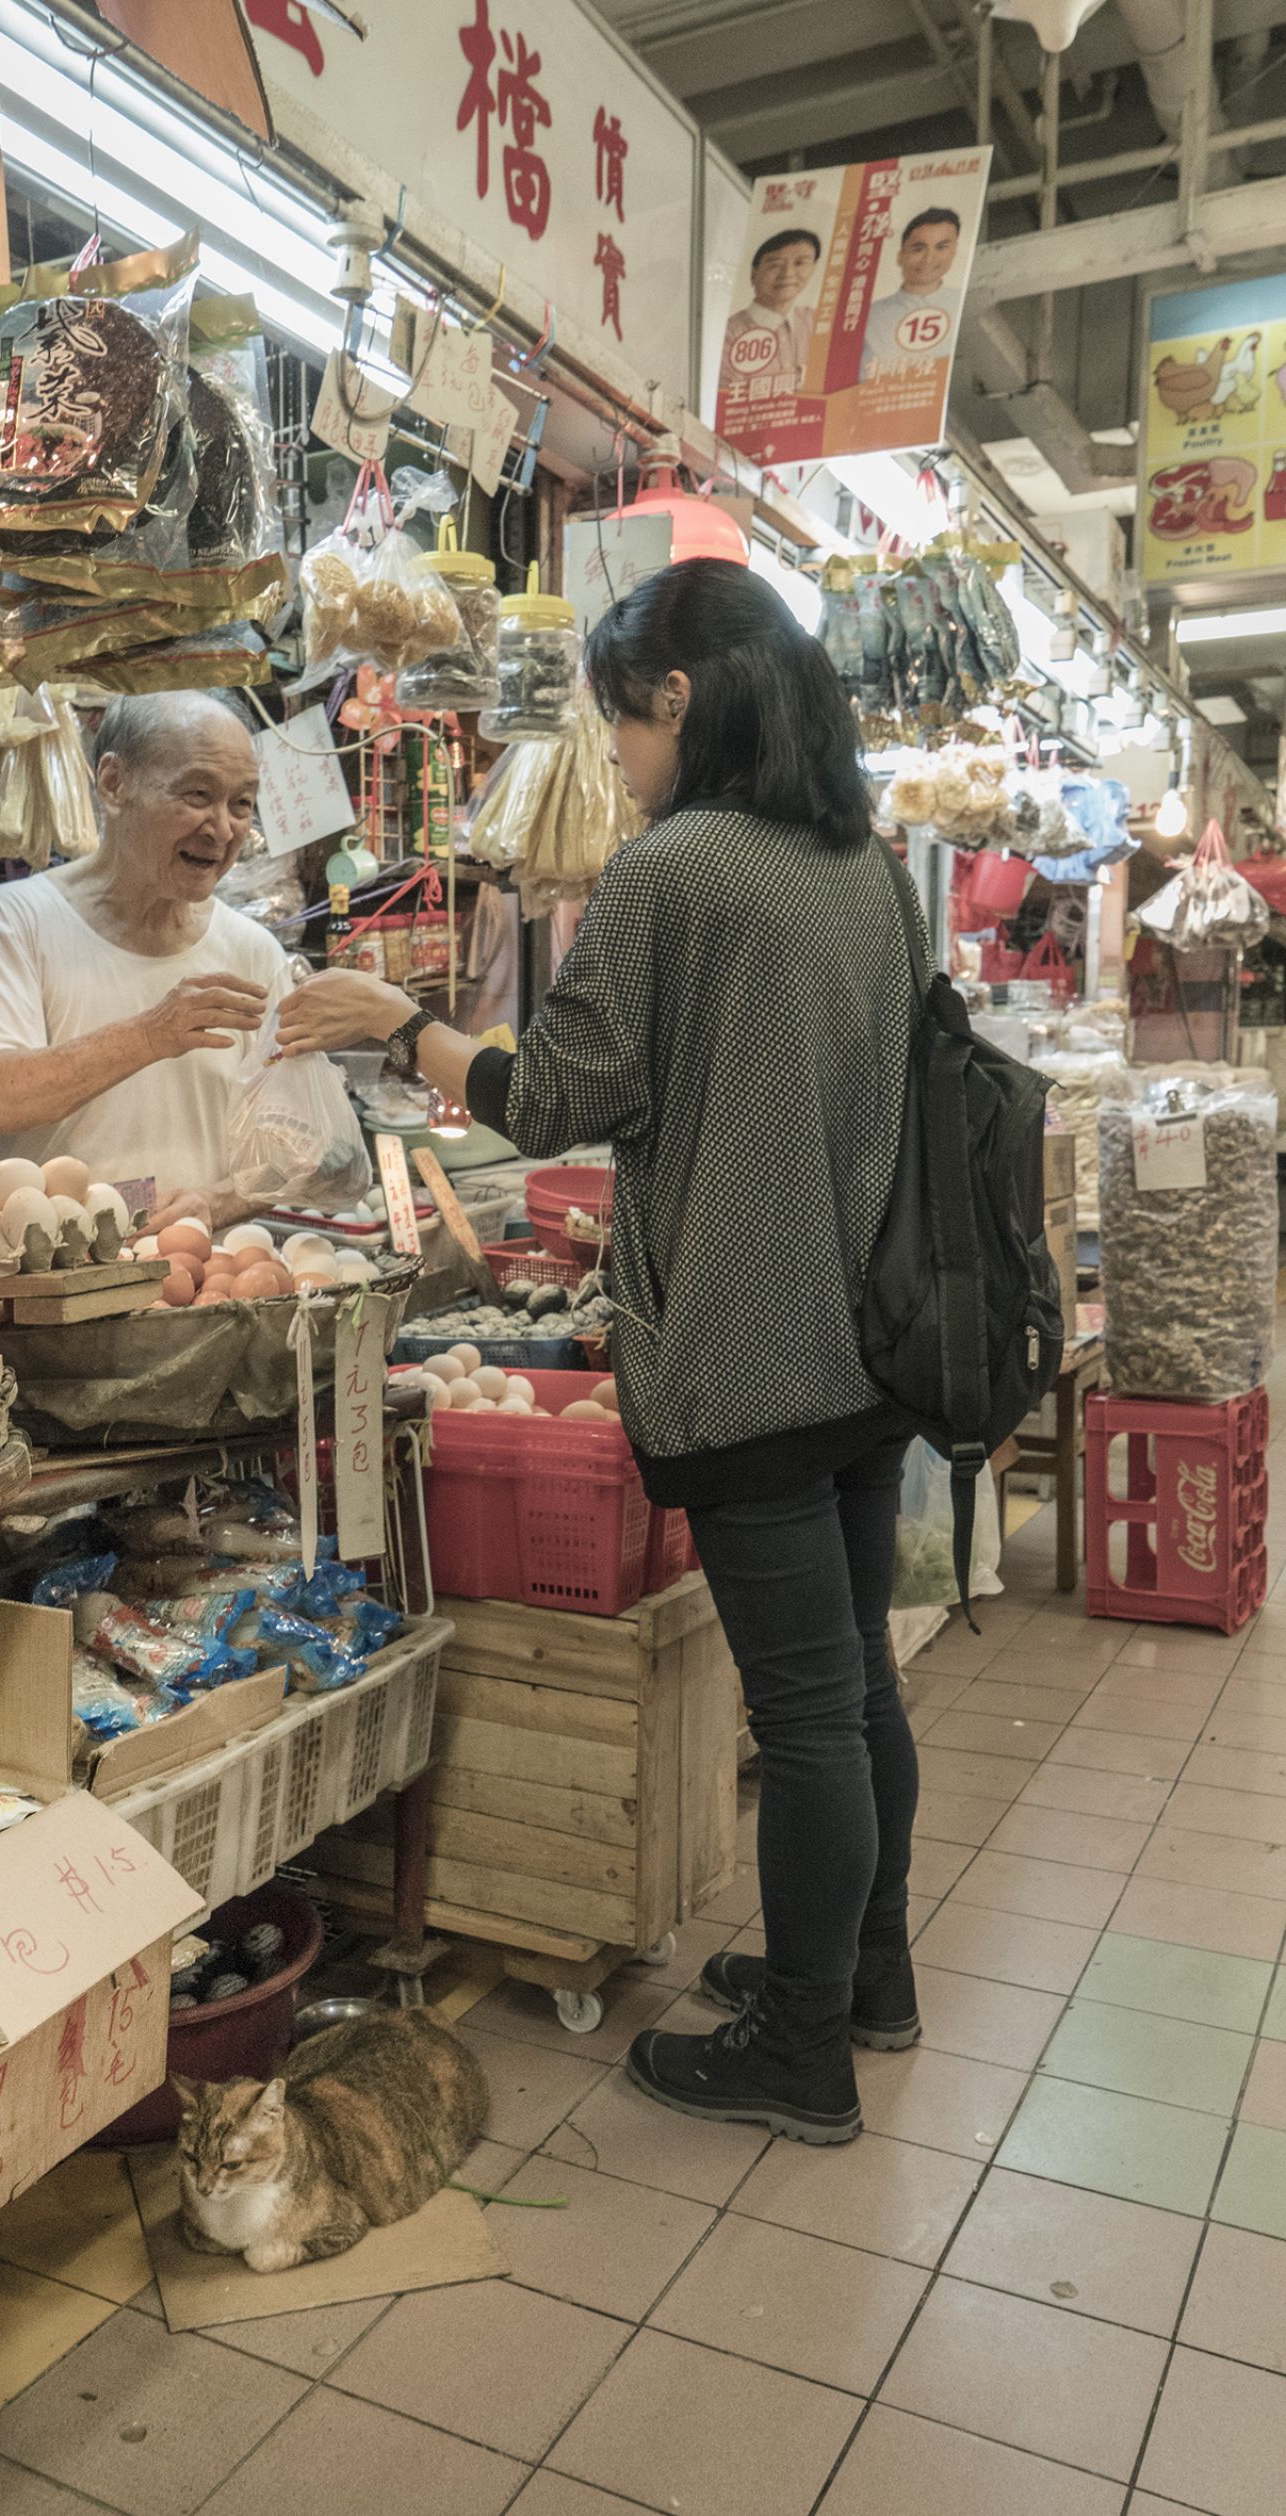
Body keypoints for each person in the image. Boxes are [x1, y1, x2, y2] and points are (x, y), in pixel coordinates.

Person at [276, 558, 922, 2147]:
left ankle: (804, 2048)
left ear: (678, 701)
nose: (615, 761)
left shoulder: (673, 871)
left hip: (749, 1348)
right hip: (872, 1334)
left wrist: (392, 1022)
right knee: (854, 1690)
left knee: (812, 1712)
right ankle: (871, 1976)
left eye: (617, 726)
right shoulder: (864, 869)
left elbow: (550, 1100)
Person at [0, 689, 289, 1232]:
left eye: (241, 804)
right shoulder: (18, 918)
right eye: (198, 794)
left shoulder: (253, 952)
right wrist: (152, 1034)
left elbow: (298, 1143)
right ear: (113, 784)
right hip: (58, 1290)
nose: (222, 829)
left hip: (204, 1286)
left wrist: (219, 1202)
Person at [719, 228, 822, 396]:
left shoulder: (818, 321)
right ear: (754, 274)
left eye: (800, 263)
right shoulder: (728, 335)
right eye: (775, 265)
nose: (788, 274)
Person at [862, 204, 962, 377]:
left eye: (941, 247)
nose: (929, 259)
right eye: (918, 249)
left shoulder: (962, 300)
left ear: (954, 251)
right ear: (900, 256)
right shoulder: (871, 316)